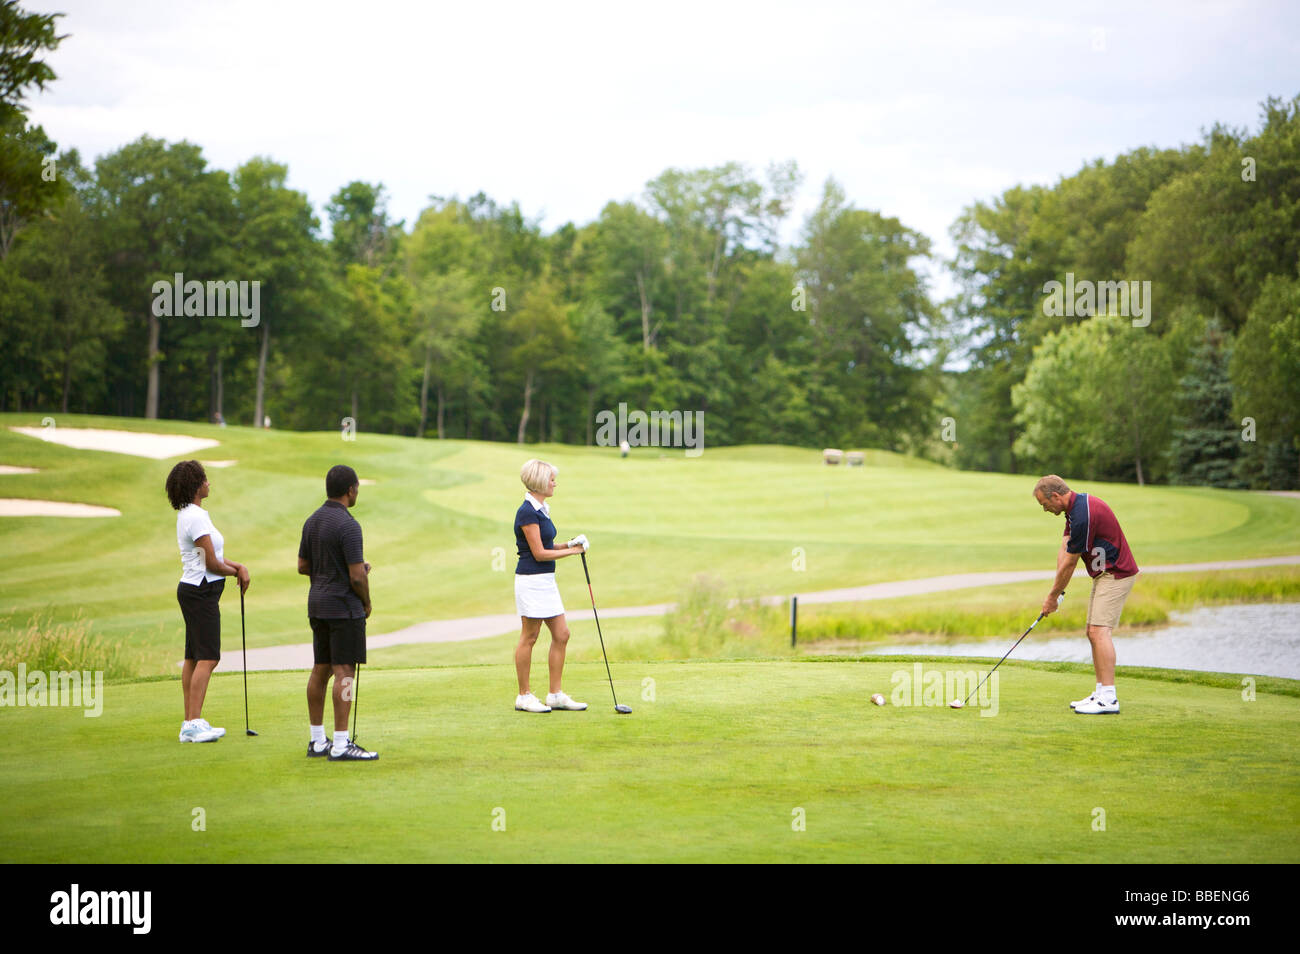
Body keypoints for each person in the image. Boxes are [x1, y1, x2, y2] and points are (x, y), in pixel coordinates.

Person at [1033, 475, 1140, 714]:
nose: (1045, 509)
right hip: (1104, 574)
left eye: (1044, 504)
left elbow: (1071, 563)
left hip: (1116, 573)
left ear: (1056, 497)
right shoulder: (1074, 509)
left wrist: (1052, 596)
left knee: (1100, 632)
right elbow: (1065, 547)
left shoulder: (1083, 515)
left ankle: (1109, 699)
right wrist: (1057, 591)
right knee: (1092, 632)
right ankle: (1101, 692)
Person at [165, 460, 250, 743]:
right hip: (201, 590)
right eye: (205, 479)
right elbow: (212, 564)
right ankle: (194, 722)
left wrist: (236, 565)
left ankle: (190, 722)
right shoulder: (196, 517)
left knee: (193, 657)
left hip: (193, 588)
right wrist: (237, 571)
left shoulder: (190, 514)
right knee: (209, 657)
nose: (209, 483)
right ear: (195, 485)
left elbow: (212, 557)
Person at [299, 464, 376, 760]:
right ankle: (342, 744)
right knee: (344, 672)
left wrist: (331, 572)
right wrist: (366, 602)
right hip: (343, 608)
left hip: (317, 605)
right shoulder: (349, 525)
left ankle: (317, 741)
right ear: (350, 490)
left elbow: (303, 566)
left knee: (321, 668)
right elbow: (357, 576)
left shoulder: (312, 521)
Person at [513, 458, 589, 713]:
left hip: (546, 581)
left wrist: (568, 544)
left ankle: (555, 695)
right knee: (530, 637)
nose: (555, 483)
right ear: (538, 482)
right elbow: (538, 554)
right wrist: (573, 552)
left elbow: (548, 546)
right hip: (531, 581)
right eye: (551, 479)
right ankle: (524, 696)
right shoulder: (527, 512)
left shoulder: (541, 509)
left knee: (562, 634)